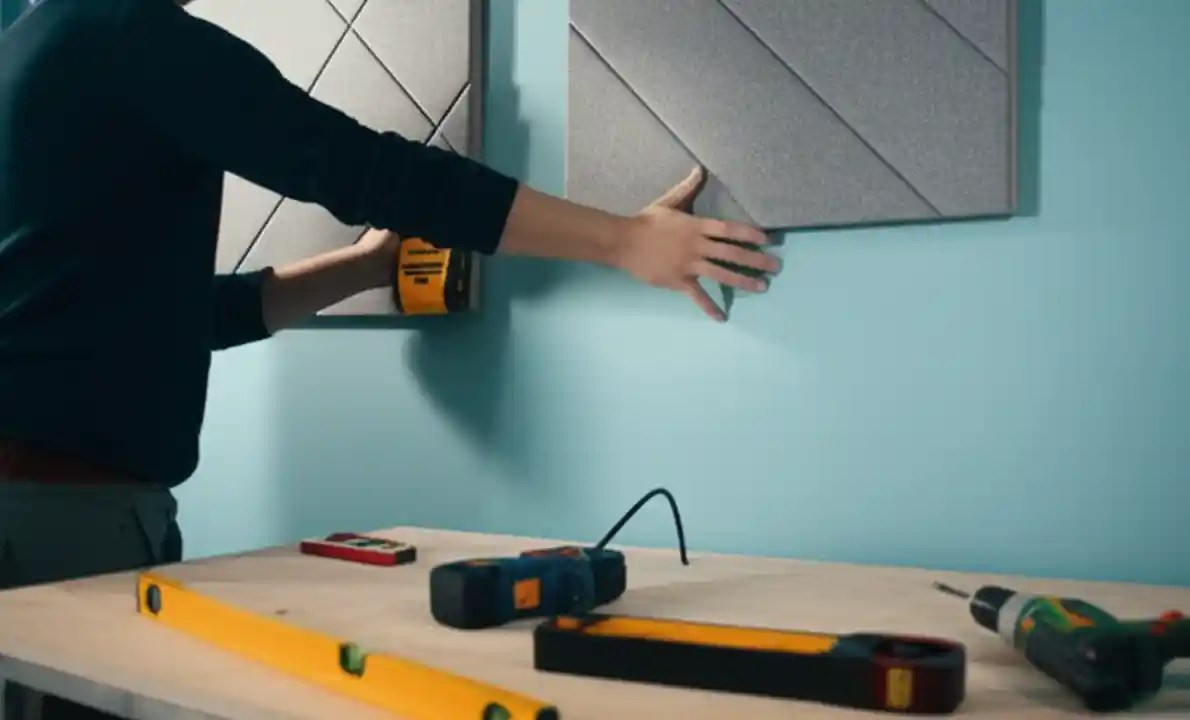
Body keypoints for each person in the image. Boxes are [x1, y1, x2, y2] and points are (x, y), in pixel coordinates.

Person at [0, 0, 780, 716]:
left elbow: (162, 319)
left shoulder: (31, 49)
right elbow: (369, 171)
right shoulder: (128, 37)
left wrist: (368, 267)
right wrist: (624, 241)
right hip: (55, 521)